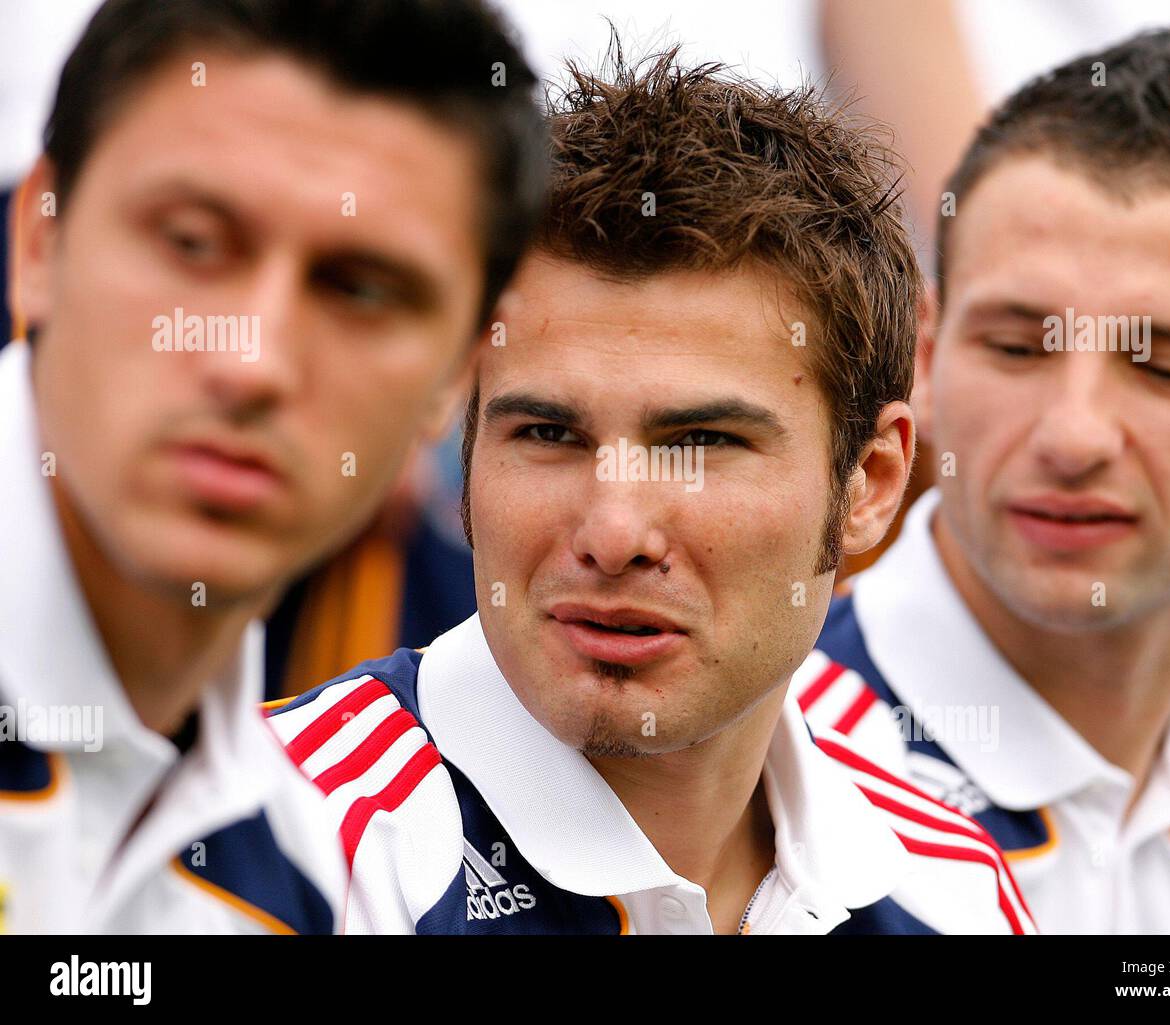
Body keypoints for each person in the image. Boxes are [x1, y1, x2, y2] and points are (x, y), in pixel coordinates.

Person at [267, 43, 1034, 935]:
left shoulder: (959, 894)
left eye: (699, 443)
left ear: (871, 480)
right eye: (548, 434)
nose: (614, 529)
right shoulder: (275, 851)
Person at [0, 0, 546, 933]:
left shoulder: (315, 880)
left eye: (361, 289)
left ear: (456, 375)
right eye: (193, 243)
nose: (252, 358)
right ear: (38, 238)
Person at [805, 28, 1170, 934]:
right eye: (1016, 346)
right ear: (925, 361)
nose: (1074, 436)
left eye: (1165, 367)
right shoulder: (758, 781)